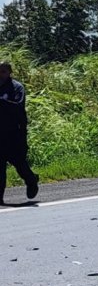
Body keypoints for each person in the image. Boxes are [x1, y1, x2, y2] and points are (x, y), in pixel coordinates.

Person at [0, 61, 38, 204]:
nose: (1, 75)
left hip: (14, 133)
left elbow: (17, 107)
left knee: (19, 163)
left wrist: (2, 102)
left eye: (3, 71)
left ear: (10, 72)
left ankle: (31, 180)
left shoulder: (17, 88)